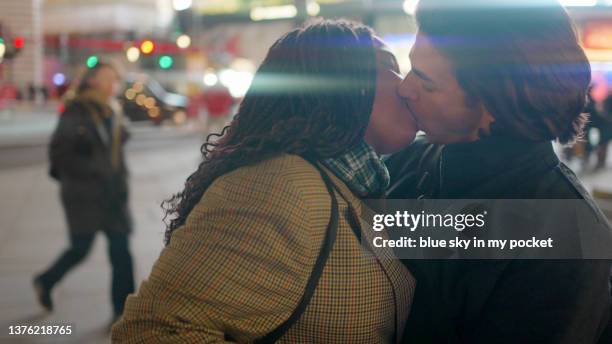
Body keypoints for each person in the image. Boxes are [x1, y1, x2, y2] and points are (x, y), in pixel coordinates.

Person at [112, 19, 417, 343]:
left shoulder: (360, 184)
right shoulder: (282, 186)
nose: (407, 86)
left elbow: (471, 235)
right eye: (390, 66)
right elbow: (149, 332)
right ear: (338, 86)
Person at [385, 1, 612, 343]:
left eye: (426, 83)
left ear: (495, 106)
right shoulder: (406, 161)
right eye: (411, 68)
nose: (404, 89)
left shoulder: (569, 237)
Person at [33, 61, 135, 323]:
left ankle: (125, 312)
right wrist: (92, 172)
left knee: (121, 250)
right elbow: (59, 154)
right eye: (107, 77)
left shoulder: (113, 110)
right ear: (91, 81)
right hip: (85, 193)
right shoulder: (76, 109)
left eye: (115, 78)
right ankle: (46, 280)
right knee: (81, 248)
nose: (112, 83)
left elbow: (116, 155)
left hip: (112, 194)